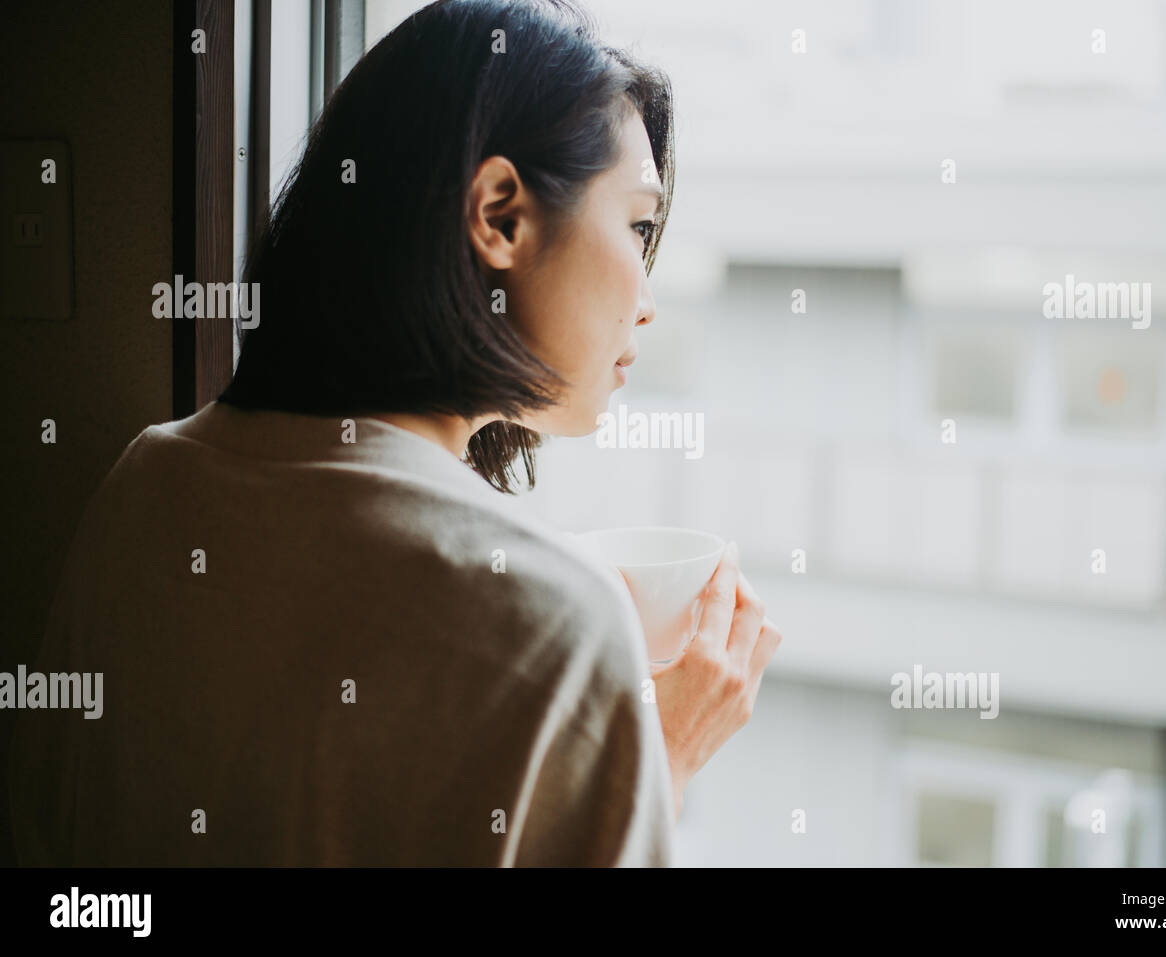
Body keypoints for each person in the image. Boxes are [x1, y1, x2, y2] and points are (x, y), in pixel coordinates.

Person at [7, 0, 781, 867]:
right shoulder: (559, 625)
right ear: (498, 216)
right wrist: (653, 762)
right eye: (638, 225)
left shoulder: (144, 485)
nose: (646, 296)